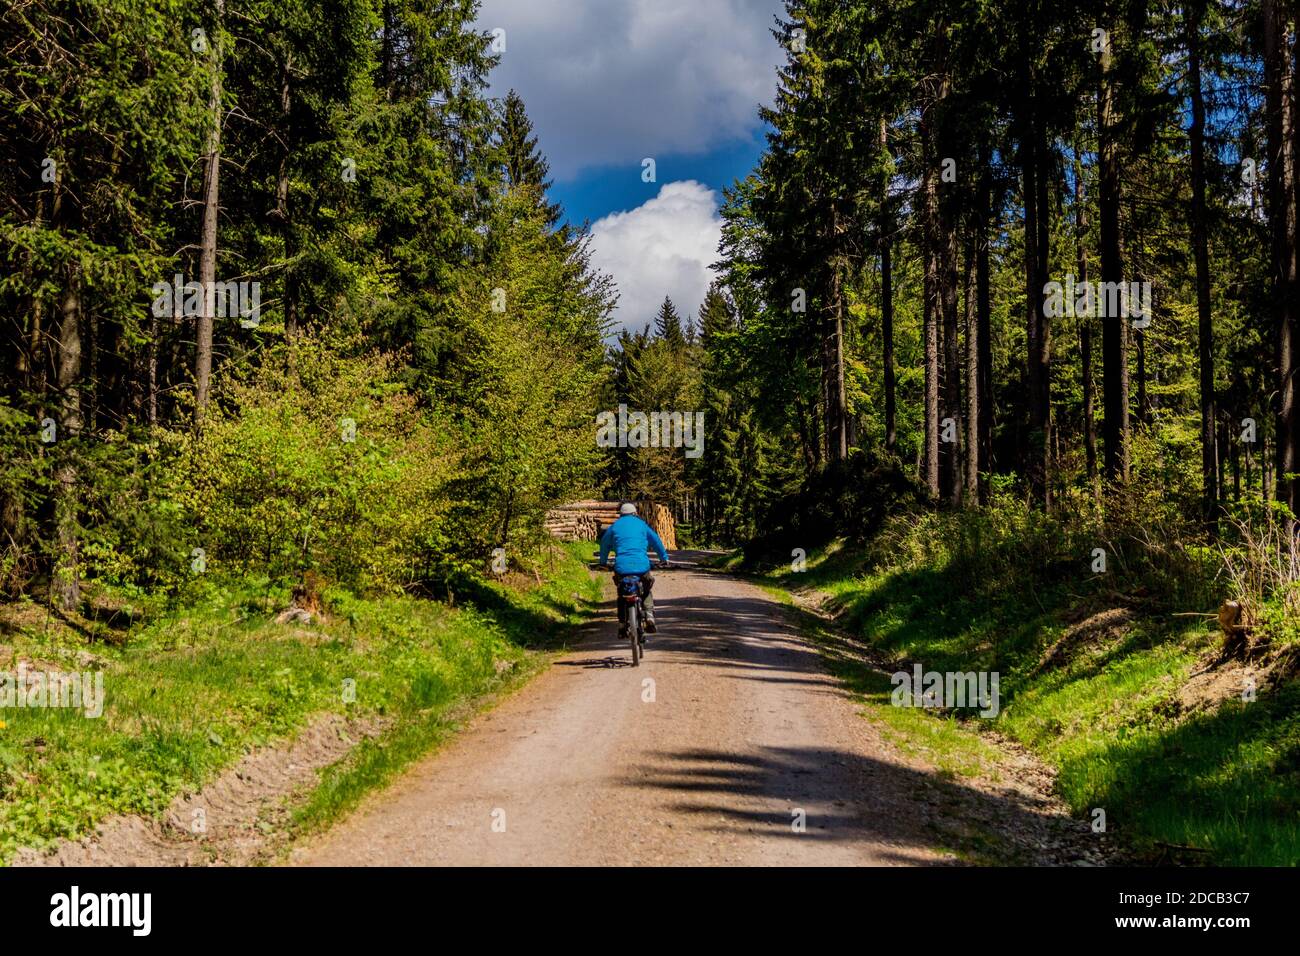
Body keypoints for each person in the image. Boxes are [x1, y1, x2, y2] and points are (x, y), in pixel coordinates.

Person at [597, 502, 669, 632]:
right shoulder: (642, 525)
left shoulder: (614, 527)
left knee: (621, 592)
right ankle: (649, 615)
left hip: (621, 568)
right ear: (635, 513)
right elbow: (656, 541)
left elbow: (604, 545)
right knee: (646, 588)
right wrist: (664, 558)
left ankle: (622, 623)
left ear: (621, 514)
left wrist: (602, 562)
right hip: (642, 566)